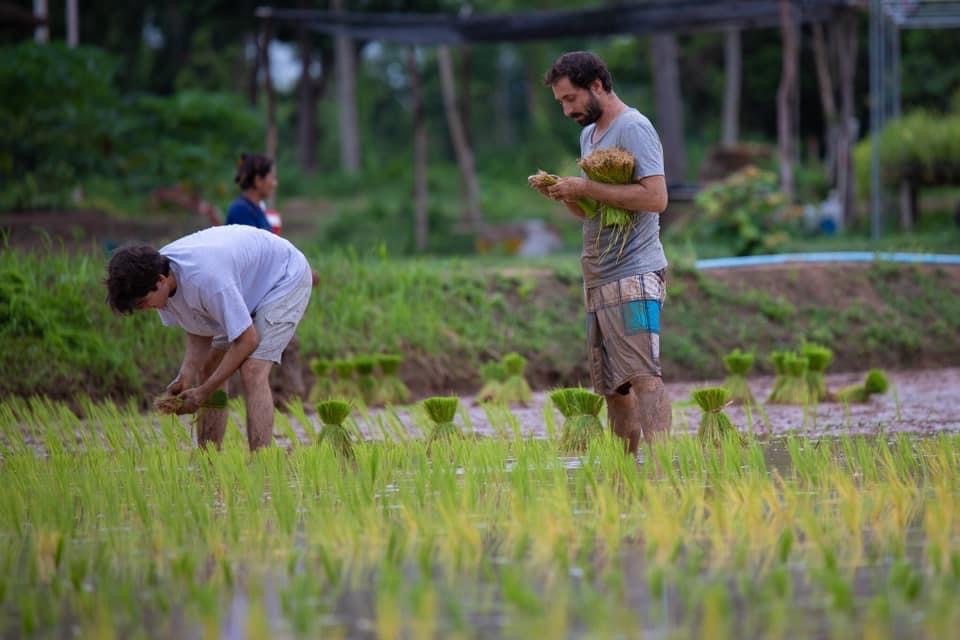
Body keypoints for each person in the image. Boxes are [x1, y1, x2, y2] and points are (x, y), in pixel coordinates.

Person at [534, 51, 671, 454]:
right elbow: (590, 211)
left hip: (637, 275)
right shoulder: (589, 135)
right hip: (600, 275)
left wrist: (586, 187)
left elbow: (657, 198)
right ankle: (626, 473)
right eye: (561, 101)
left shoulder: (634, 127)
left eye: (571, 99)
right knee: (614, 387)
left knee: (644, 375)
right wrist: (563, 194)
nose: (566, 109)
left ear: (596, 85)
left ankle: (662, 469)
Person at [105, 225, 313, 452]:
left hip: (282, 277)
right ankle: (208, 458)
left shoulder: (208, 280)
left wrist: (203, 392)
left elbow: (247, 340)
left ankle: (262, 462)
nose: (144, 308)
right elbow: (198, 326)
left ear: (161, 280)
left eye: (143, 302)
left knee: (253, 370)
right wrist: (186, 375)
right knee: (208, 366)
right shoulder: (161, 284)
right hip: (244, 284)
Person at [225, 153, 277, 231]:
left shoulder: (256, 208)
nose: (275, 184)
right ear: (258, 180)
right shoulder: (241, 211)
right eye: (272, 178)